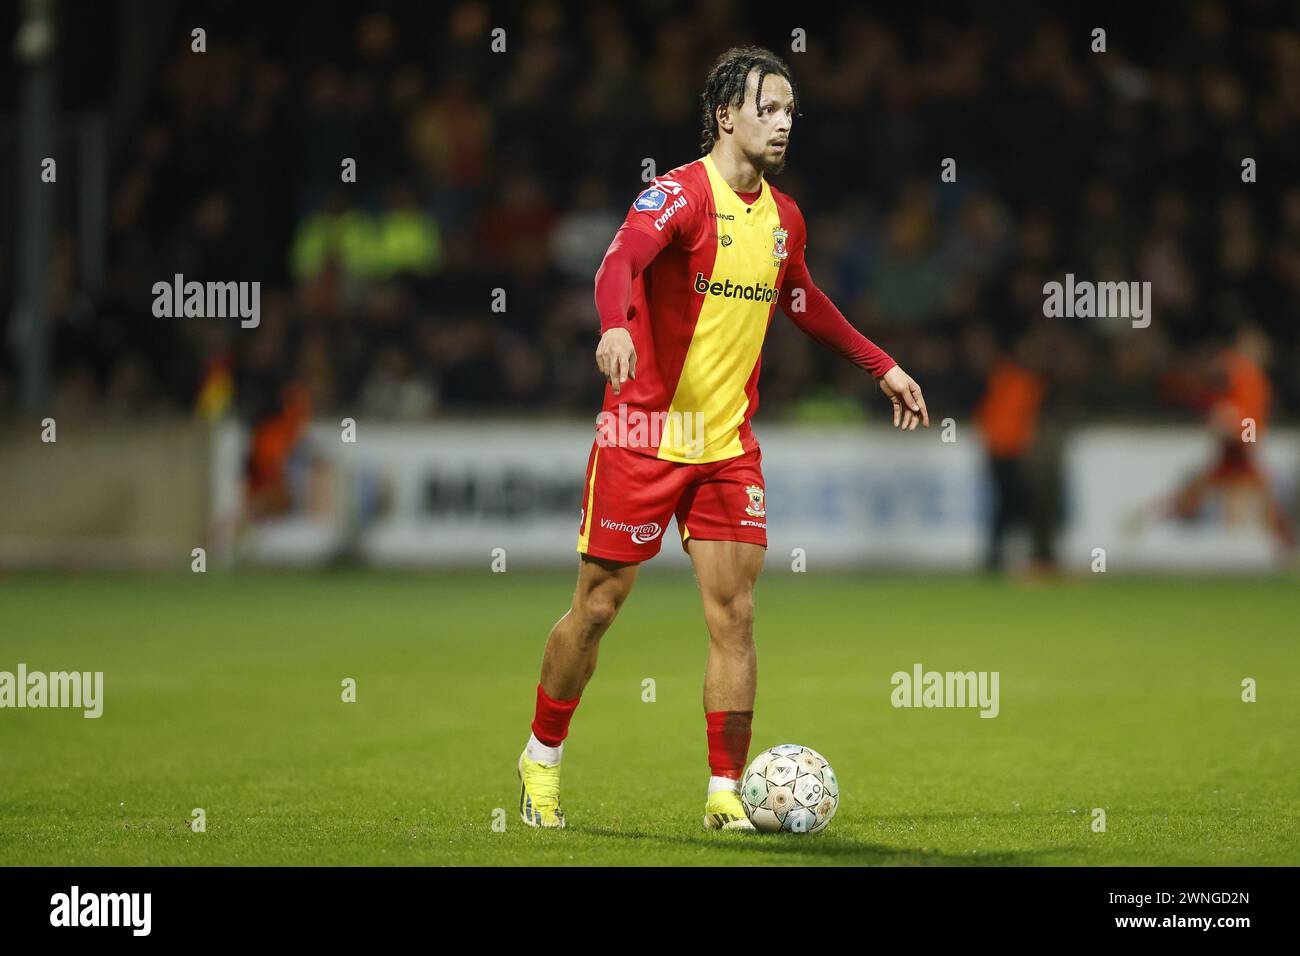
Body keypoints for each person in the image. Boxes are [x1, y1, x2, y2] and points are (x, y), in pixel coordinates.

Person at [517, 46, 929, 830]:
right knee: (598, 608)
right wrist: (612, 327)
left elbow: (802, 300)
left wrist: (881, 365)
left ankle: (722, 792)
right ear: (725, 116)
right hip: (643, 432)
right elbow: (619, 261)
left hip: (725, 445)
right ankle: (541, 757)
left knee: (734, 613)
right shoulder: (676, 196)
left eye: (789, 112)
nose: (781, 124)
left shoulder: (784, 219)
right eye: (767, 109)